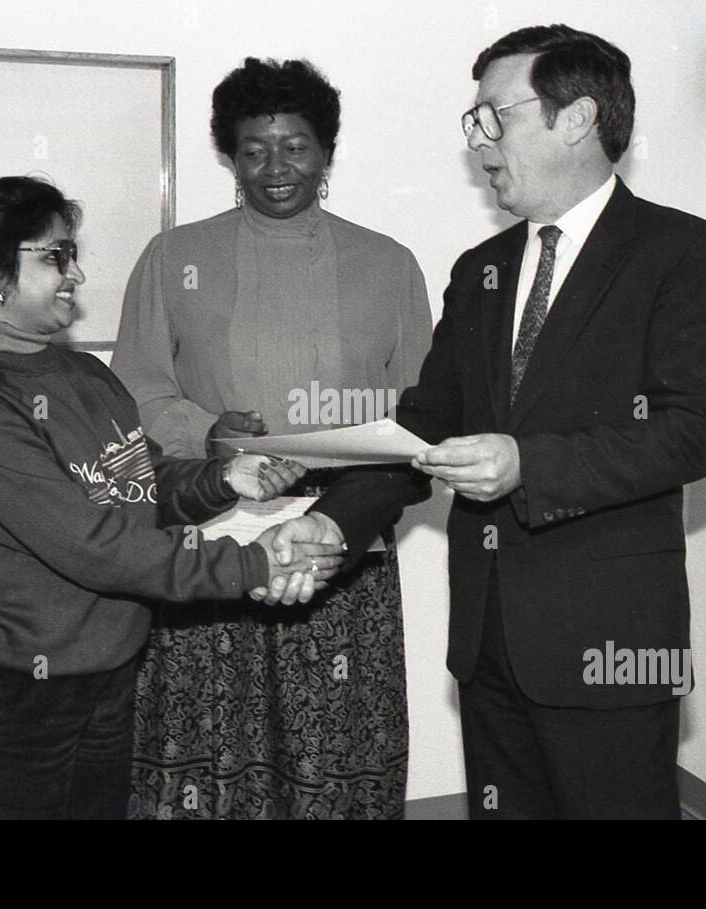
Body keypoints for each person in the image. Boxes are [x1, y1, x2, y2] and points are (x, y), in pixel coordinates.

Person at [282, 24, 706, 819]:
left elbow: (689, 431)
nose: (479, 141)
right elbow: (423, 426)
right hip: (489, 640)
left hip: (613, 647)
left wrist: (530, 462)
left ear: (578, 118)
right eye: (474, 122)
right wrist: (331, 522)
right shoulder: (481, 270)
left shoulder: (684, 252)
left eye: (495, 116)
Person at [0, 175, 342, 819]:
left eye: (71, 253)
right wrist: (254, 566)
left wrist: (222, 480)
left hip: (105, 673)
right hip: (12, 693)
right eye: (53, 256)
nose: (74, 274)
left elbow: (137, 485)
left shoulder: (83, 371)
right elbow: (96, 547)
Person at [112, 58, 433, 819]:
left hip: (341, 538)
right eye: (254, 149)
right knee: (209, 752)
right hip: (212, 535)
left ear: (326, 151)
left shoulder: (388, 264)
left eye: (295, 146)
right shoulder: (173, 258)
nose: (275, 167)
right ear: (230, 155)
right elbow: (137, 389)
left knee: (339, 753)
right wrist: (208, 432)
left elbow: (424, 412)